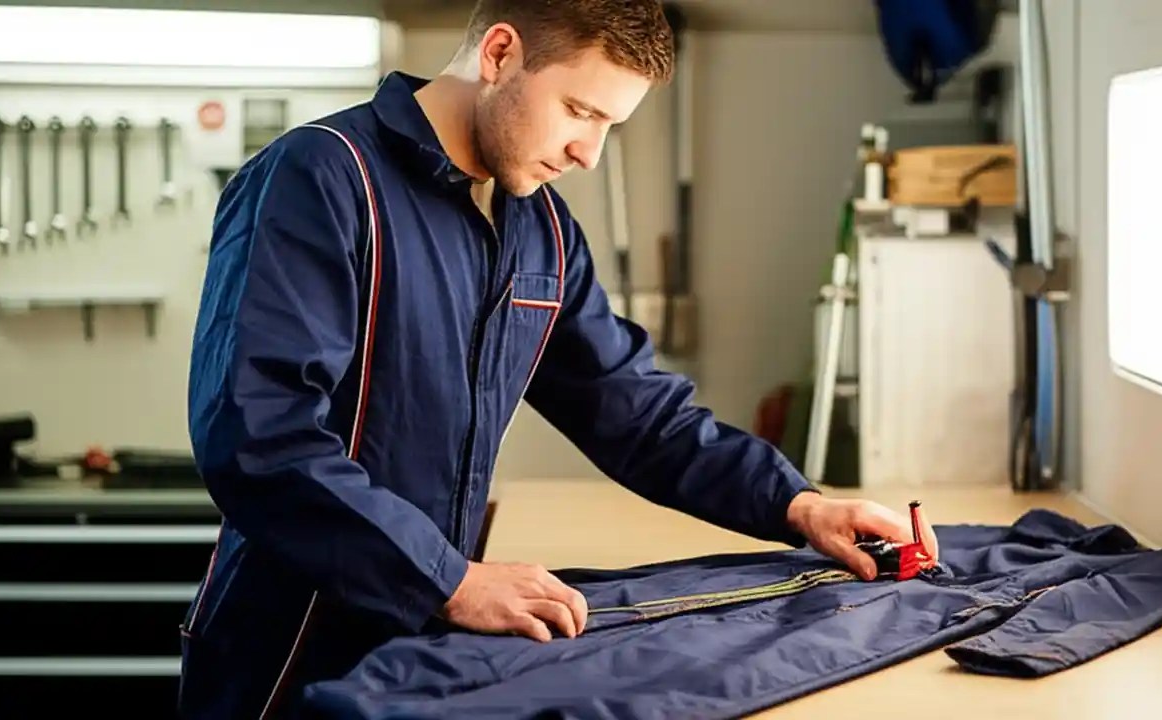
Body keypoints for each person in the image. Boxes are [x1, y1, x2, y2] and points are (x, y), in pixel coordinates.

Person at [179, 0, 941, 717]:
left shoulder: (539, 229)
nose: (587, 151)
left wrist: (800, 505)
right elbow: (258, 439)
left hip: (430, 644)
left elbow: (640, 419)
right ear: (500, 52)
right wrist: (446, 579)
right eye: (579, 111)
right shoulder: (321, 177)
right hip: (287, 649)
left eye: (610, 125)